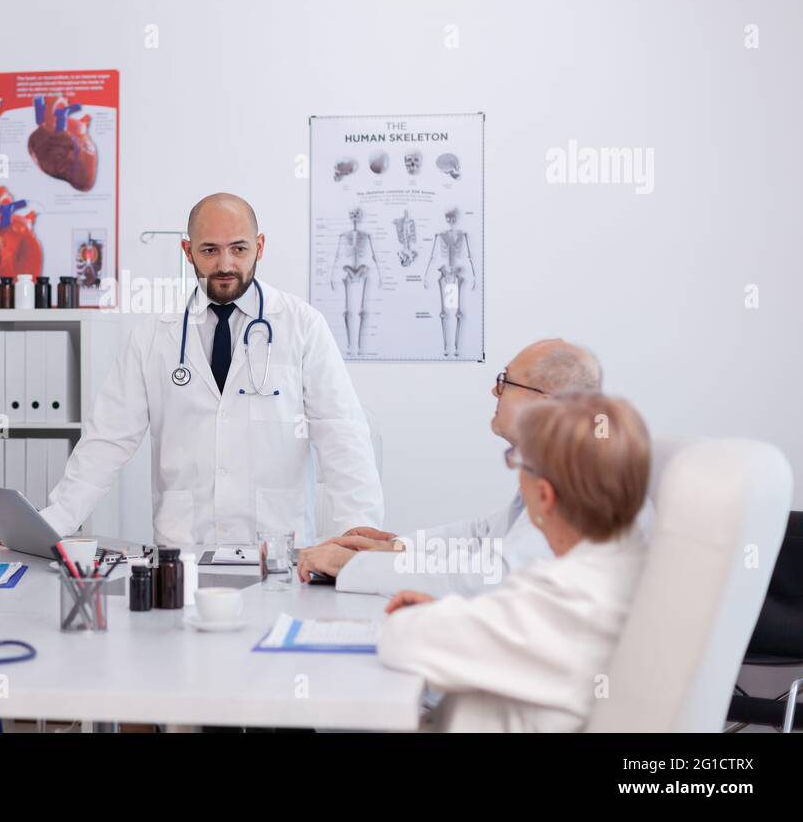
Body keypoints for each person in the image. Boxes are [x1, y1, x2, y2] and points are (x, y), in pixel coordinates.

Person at [39, 192, 383, 546]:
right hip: (183, 550)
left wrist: (358, 533)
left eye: (239, 249)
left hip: (278, 549)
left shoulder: (302, 326)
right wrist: (53, 522)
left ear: (259, 246)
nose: (225, 264)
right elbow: (106, 441)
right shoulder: (153, 335)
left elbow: (342, 435)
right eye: (209, 250)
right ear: (187, 251)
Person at [376, 391, 651, 732]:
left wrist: (425, 617)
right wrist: (454, 614)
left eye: (519, 461)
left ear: (544, 495)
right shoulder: (629, 566)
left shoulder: (562, 597)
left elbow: (401, 641)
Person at [298, 338, 631, 595]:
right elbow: (482, 537)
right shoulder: (558, 466)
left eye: (506, 381)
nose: (494, 390)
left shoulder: (573, 484)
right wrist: (397, 548)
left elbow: (489, 576)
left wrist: (356, 566)